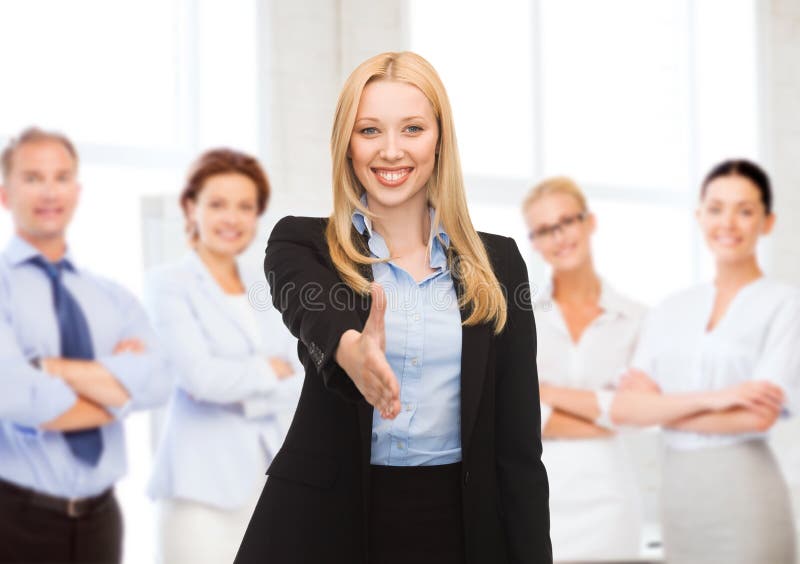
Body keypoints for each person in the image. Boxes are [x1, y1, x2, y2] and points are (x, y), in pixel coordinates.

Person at [235, 51, 551, 564]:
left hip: (461, 525)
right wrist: (350, 351)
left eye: (411, 129)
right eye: (369, 131)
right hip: (325, 523)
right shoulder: (302, 243)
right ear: (347, 145)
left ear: (439, 139)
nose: (390, 151)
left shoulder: (500, 264)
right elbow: (310, 308)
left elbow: (518, 451)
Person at [617, 159, 799, 563]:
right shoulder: (670, 309)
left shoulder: (785, 304)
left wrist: (660, 408)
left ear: (767, 222)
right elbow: (626, 409)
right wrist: (721, 399)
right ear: (699, 216)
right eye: (715, 208)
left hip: (748, 494)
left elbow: (757, 417)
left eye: (745, 210)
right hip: (679, 499)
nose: (728, 222)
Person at [0, 127, 169, 563]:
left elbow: (160, 380)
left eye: (61, 177)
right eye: (33, 177)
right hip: (15, 520)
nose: (49, 191)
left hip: (101, 520)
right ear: (5, 193)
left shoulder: (111, 296)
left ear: (77, 191)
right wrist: (118, 390)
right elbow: (17, 398)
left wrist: (51, 367)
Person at [145, 148, 303, 564]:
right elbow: (201, 378)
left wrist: (244, 385)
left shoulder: (264, 286)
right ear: (190, 207)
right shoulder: (168, 284)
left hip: (270, 484)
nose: (231, 218)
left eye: (245, 207)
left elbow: (303, 371)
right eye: (217, 204)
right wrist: (271, 372)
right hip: (201, 495)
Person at [522, 176, 645, 561]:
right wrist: (605, 412)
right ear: (534, 242)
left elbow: (639, 412)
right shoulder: (522, 320)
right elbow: (516, 411)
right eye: (544, 230)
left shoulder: (636, 319)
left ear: (589, 222)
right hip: (540, 498)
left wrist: (546, 395)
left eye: (567, 222)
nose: (558, 237)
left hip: (611, 501)